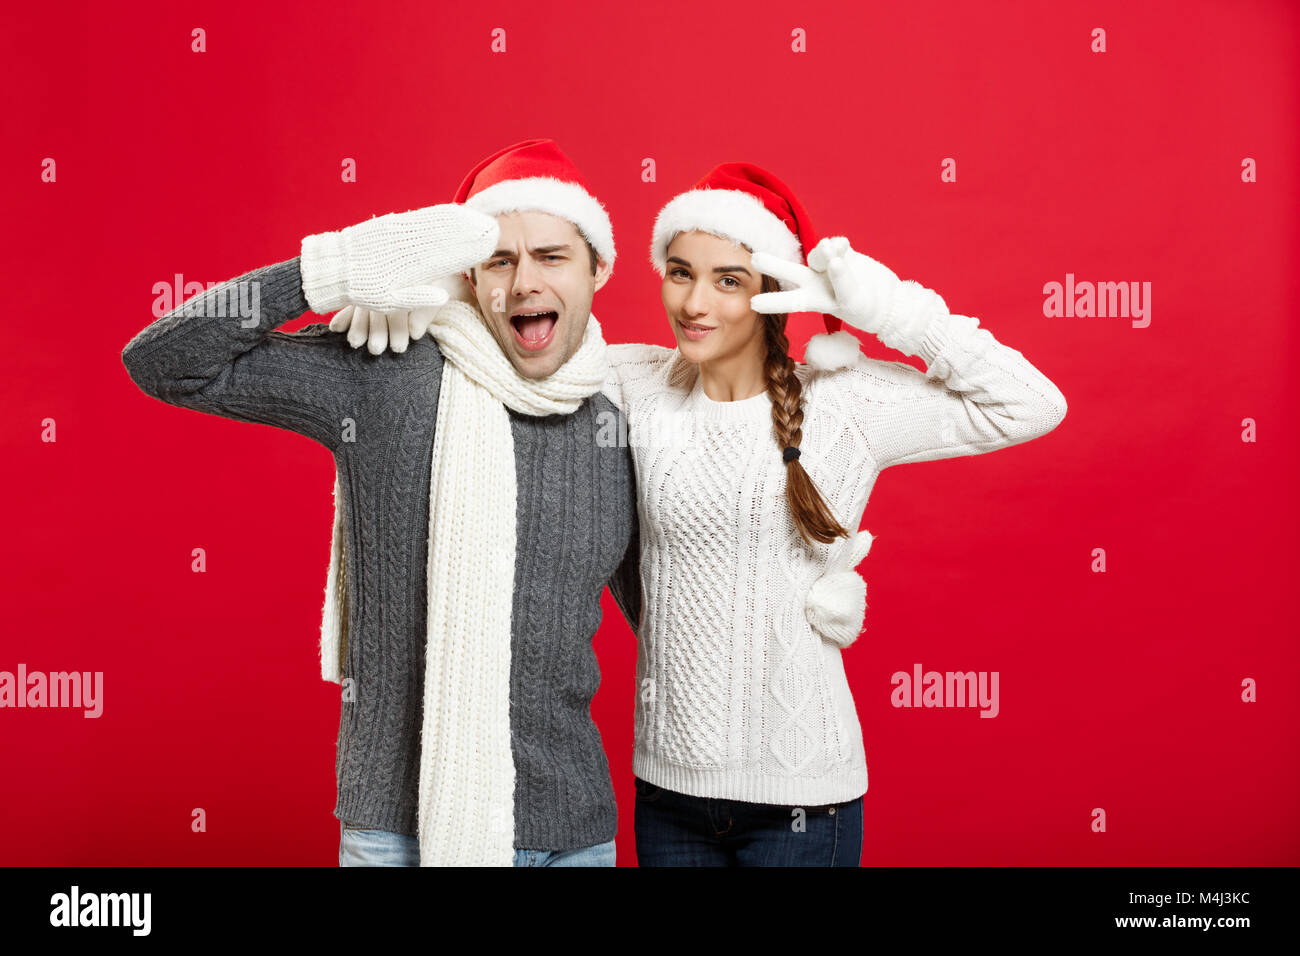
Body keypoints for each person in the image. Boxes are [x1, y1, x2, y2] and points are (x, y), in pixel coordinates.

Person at [120, 139, 641, 866]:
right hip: (395, 834)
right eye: (500, 260)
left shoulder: (626, 417)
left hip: (574, 835)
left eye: (552, 256)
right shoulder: (392, 374)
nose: (525, 282)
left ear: (599, 269)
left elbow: (674, 614)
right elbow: (163, 361)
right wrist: (335, 268)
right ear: (469, 277)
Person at [598, 162, 1069, 865]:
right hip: (667, 795)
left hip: (802, 801)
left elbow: (1032, 403)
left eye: (729, 279)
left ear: (774, 292)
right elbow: (516, 344)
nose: (695, 301)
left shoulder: (844, 405)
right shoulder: (635, 383)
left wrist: (891, 310)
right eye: (678, 271)